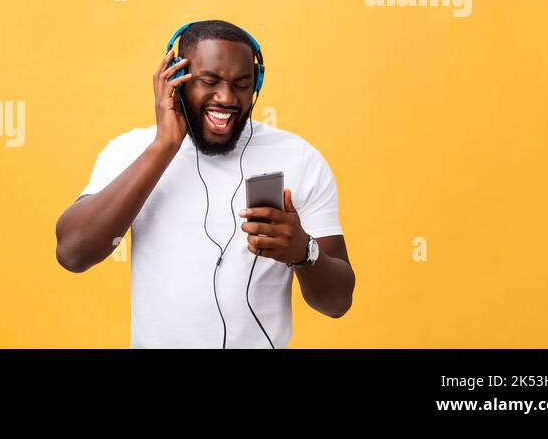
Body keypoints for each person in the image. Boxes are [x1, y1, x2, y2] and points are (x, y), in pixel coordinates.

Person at [54, 20, 355, 348]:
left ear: (256, 84)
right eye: (209, 82)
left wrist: (303, 252)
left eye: (242, 84)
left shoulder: (299, 158)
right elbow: (73, 254)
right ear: (175, 79)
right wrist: (164, 145)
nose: (226, 97)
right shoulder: (131, 150)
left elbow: (338, 303)